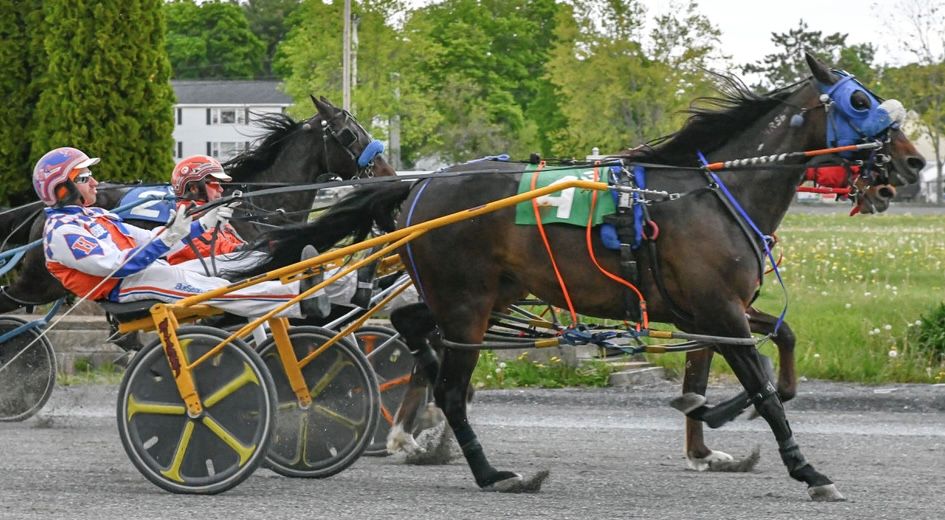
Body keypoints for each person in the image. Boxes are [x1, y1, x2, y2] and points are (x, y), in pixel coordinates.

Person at [34, 146, 321, 319]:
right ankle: (297, 299)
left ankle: (321, 284)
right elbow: (117, 266)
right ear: (62, 189)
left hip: (147, 273)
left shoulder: (97, 215)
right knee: (212, 290)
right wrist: (169, 236)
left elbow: (150, 240)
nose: (95, 182)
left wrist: (200, 225)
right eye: (85, 178)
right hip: (124, 287)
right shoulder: (63, 233)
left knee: (225, 270)